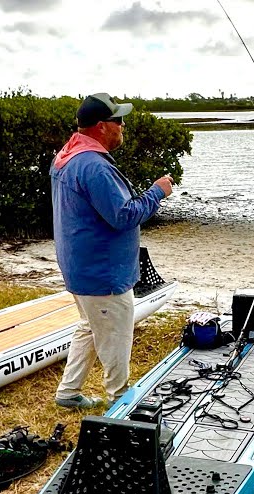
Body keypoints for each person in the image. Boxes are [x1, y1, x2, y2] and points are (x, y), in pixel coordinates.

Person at [51, 92, 174, 409]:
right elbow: (124, 215)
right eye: (119, 120)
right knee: (116, 339)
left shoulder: (67, 155)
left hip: (80, 269)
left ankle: (67, 394)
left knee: (89, 328)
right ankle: (121, 404)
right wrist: (156, 192)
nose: (123, 126)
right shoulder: (95, 166)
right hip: (103, 275)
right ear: (102, 126)